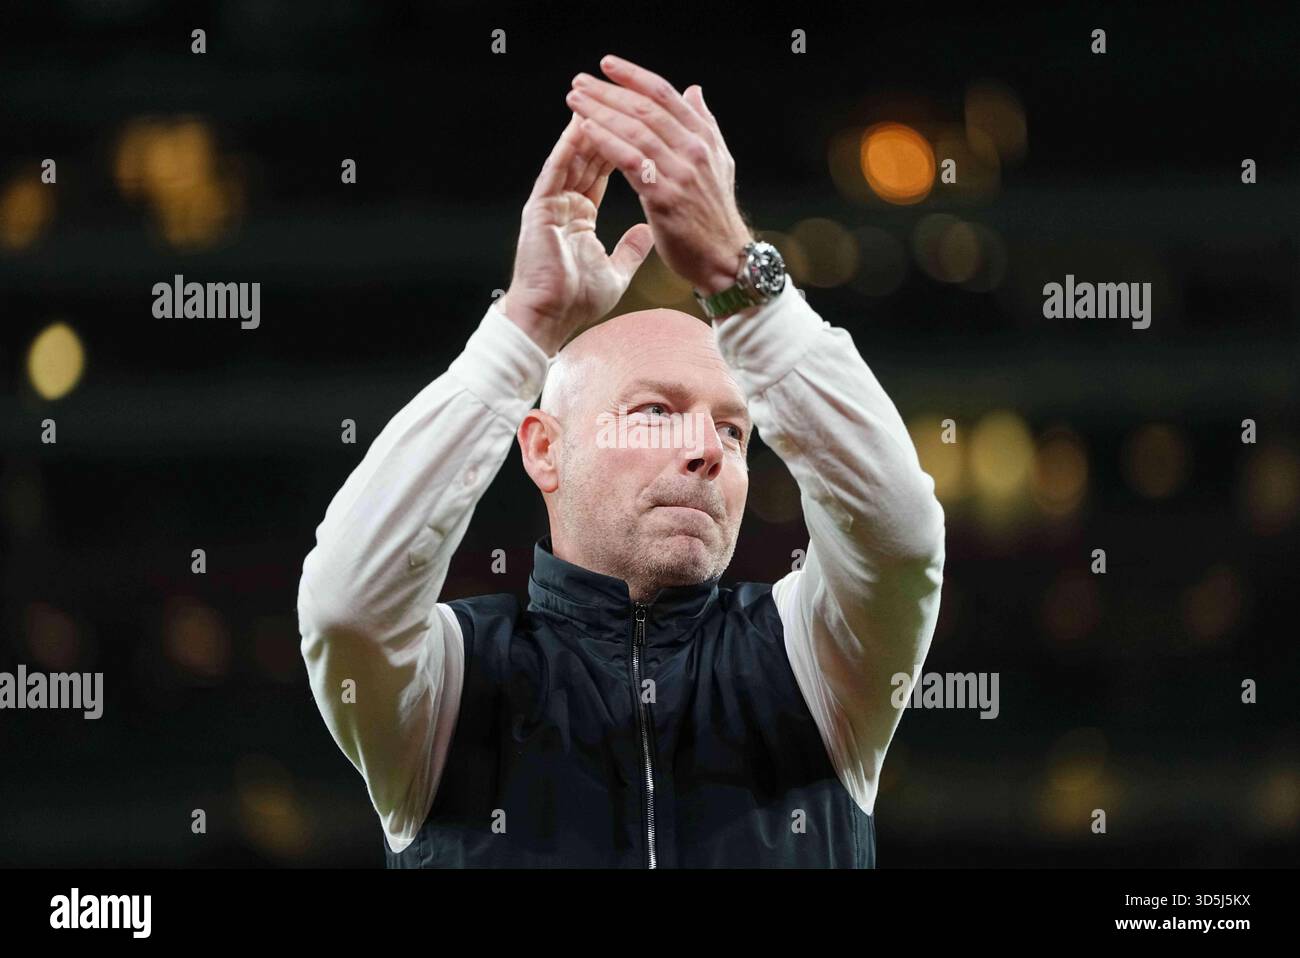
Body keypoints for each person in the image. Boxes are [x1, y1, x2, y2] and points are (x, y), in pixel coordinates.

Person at [297, 54, 945, 867]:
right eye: (656, 413)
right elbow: (346, 607)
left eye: (734, 431)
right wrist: (522, 330)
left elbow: (900, 534)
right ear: (544, 449)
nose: (705, 450)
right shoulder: (453, 680)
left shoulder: (809, 656)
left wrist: (741, 280)